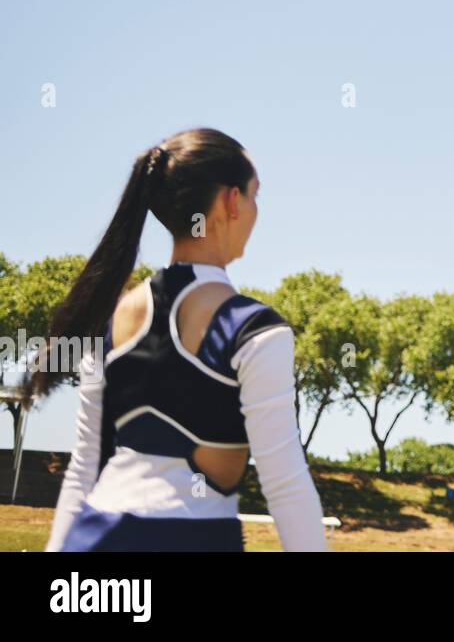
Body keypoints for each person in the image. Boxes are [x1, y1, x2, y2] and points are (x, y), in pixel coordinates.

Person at [39, 128, 327, 552]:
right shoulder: (255, 329)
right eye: (254, 195)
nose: (254, 209)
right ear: (232, 201)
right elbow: (284, 484)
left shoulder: (111, 320)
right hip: (190, 536)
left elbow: (84, 469)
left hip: (92, 540)